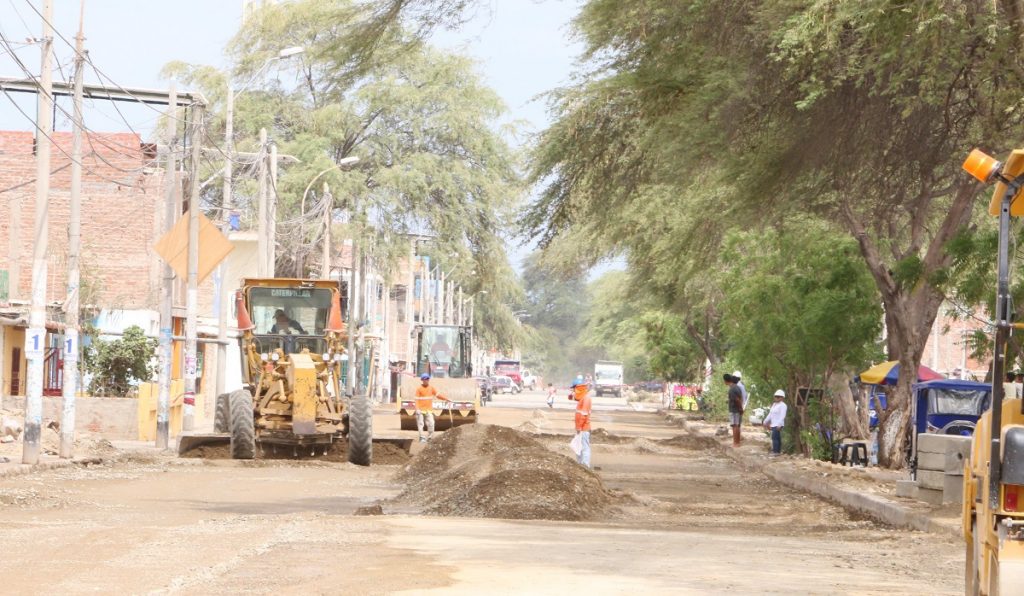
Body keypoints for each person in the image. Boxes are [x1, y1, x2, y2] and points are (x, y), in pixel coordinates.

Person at [414, 373, 450, 443]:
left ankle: (430, 437)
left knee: (431, 423)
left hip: (428, 410)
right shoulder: (419, 389)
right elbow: (416, 399)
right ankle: (422, 438)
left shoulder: (431, 388)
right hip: (420, 410)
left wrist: (446, 399)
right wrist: (417, 409)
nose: (426, 380)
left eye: (427, 379)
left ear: (428, 380)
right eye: (424, 379)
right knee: (421, 424)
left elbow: (438, 395)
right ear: (422, 380)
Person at [573, 379, 593, 468]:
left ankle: (585, 465)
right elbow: (574, 398)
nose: (575, 392)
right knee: (579, 447)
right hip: (581, 428)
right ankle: (580, 465)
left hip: (583, 428)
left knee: (584, 448)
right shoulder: (583, 398)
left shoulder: (586, 399)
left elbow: (583, 414)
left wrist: (579, 427)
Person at [764, 389, 788, 455]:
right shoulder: (774, 405)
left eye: (778, 397)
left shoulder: (783, 405)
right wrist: (765, 421)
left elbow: (783, 415)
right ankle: (778, 451)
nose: (777, 398)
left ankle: (775, 451)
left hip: (778, 424)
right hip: (773, 424)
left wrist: (779, 424)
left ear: (782, 398)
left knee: (774, 437)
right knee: (777, 437)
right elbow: (770, 414)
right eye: (776, 396)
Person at [725, 373, 744, 447]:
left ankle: (736, 443)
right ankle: (737, 442)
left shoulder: (732, 389)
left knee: (734, 426)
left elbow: (737, 400)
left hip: (734, 409)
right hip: (737, 409)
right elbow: (740, 398)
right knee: (737, 425)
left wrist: (740, 408)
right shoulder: (738, 387)